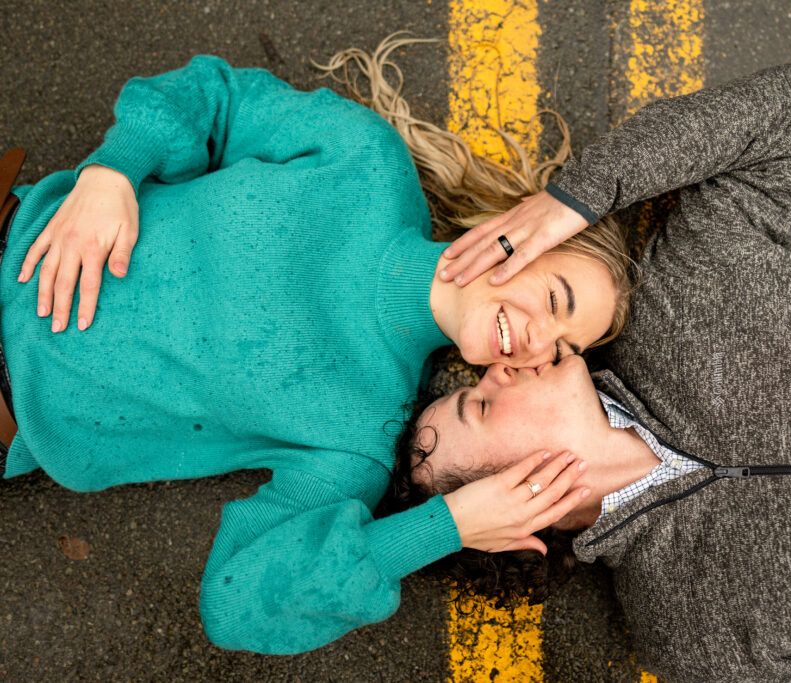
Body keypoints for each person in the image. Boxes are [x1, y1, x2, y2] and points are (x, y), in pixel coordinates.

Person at [392, 62, 791, 680]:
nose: (497, 371)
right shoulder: (695, 643)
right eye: (478, 405)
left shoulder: (684, 292)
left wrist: (572, 201)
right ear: (513, 514)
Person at [0, 36, 631, 654]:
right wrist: (112, 172)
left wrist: (450, 524)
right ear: (523, 230)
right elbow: (214, 97)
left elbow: (237, 603)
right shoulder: (366, 163)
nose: (536, 340)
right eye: (556, 300)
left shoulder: (359, 442)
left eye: (560, 348)